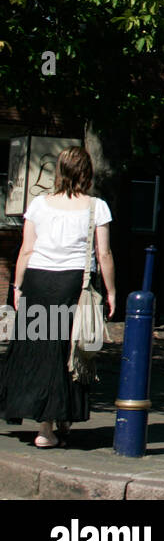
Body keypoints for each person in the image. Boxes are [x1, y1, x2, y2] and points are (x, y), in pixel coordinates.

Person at [0, 147, 117, 448]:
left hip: (37, 280)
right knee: (65, 353)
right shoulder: (96, 207)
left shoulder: (38, 204)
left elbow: (26, 249)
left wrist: (17, 286)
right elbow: (103, 254)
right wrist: (112, 292)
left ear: (60, 172)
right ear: (87, 173)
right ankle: (46, 429)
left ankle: (46, 418)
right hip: (71, 284)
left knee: (34, 350)